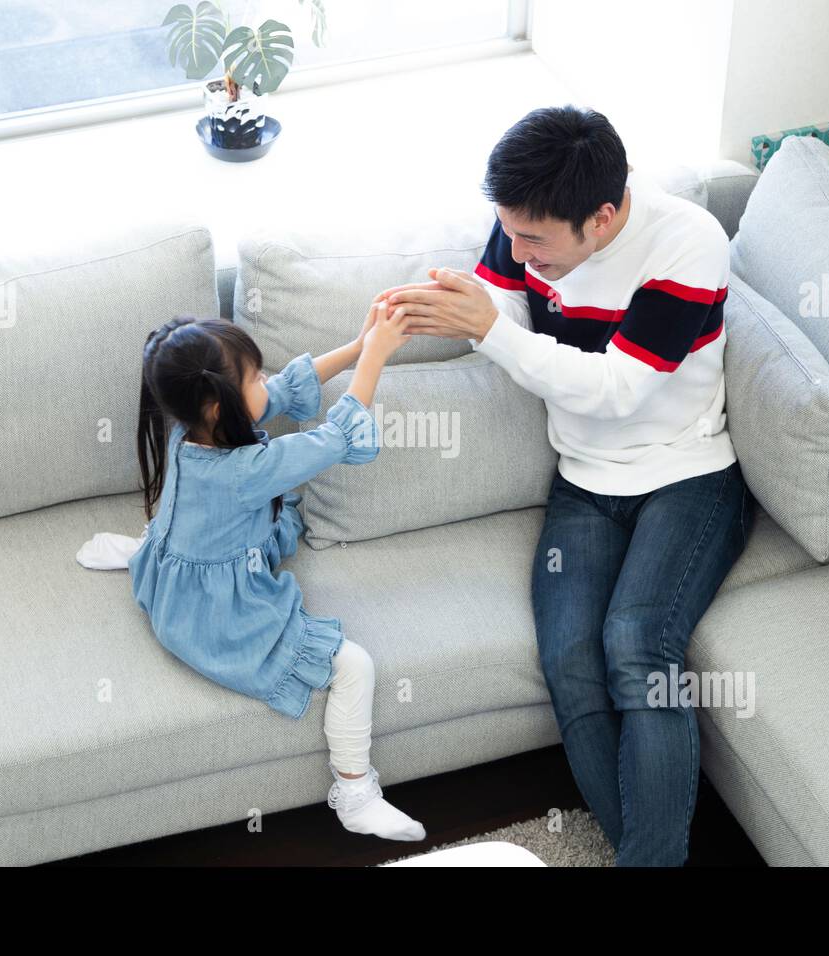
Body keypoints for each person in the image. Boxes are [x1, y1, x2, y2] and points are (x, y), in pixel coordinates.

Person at [379, 106, 754, 865]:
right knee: (573, 662)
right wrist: (481, 313)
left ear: (604, 215)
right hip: (583, 482)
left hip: (688, 475)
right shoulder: (528, 218)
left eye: (534, 242)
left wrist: (489, 325)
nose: (517, 251)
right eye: (508, 233)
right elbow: (505, 305)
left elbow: (616, 389)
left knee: (638, 644)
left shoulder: (685, 245)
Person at [127, 303, 427, 842]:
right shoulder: (246, 470)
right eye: (255, 377)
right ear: (221, 405)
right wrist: (375, 360)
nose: (268, 382)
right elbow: (334, 439)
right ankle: (356, 794)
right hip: (219, 619)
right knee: (354, 665)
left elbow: (286, 390)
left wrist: (359, 346)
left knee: (275, 513)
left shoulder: (189, 429)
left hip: (179, 580)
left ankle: (147, 551)